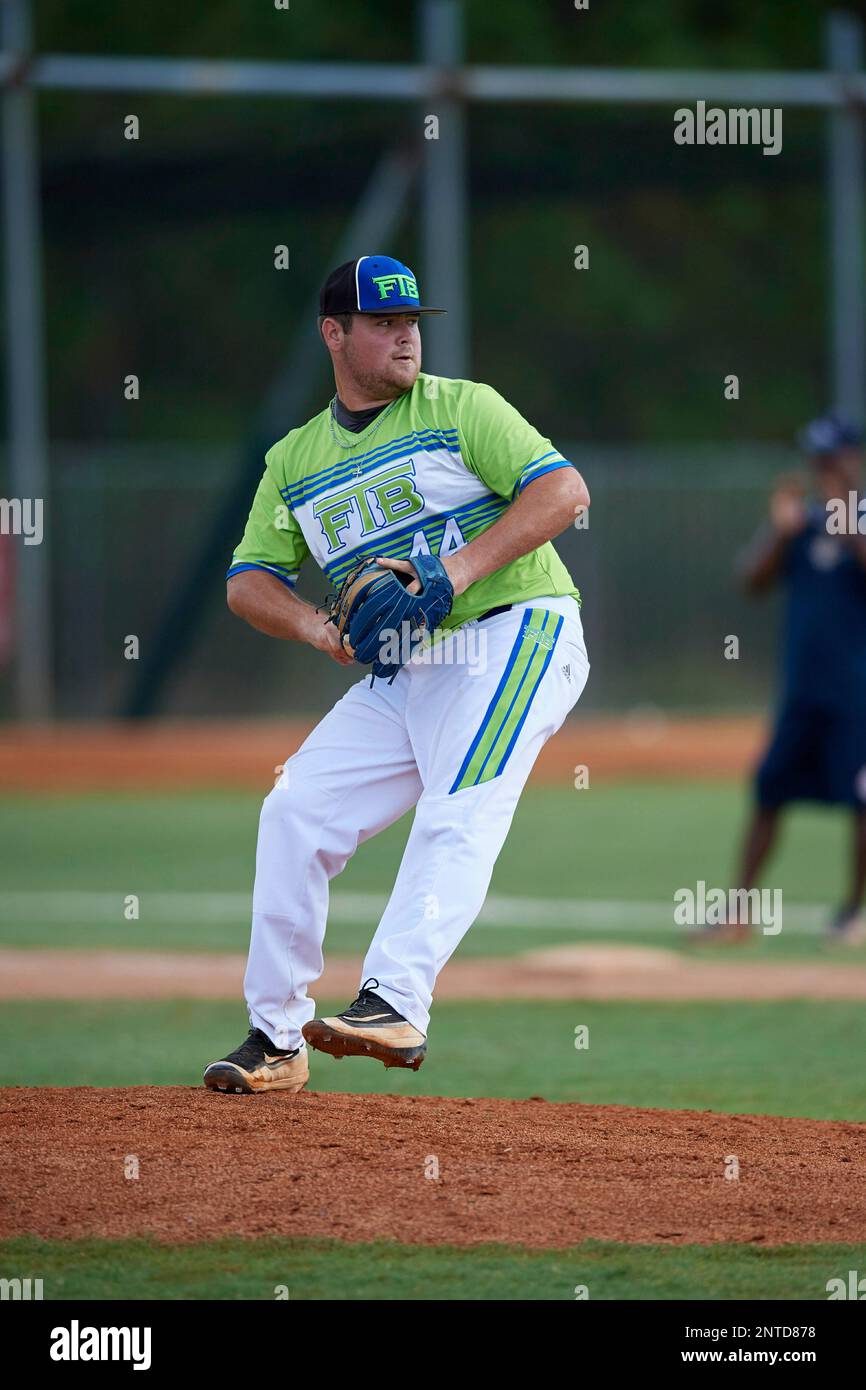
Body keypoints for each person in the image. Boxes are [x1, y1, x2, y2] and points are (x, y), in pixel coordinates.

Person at [203, 254, 591, 1093]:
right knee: (295, 811)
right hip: (407, 666)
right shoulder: (294, 460)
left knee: (460, 810)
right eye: (383, 322)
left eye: (412, 319)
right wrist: (314, 626)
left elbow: (563, 493)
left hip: (514, 629)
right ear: (333, 334)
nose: (406, 333)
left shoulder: (462, 408)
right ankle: (276, 1038)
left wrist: (453, 571)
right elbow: (246, 580)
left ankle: (394, 997)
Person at [720, 415, 866, 945]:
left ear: (854, 459)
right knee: (769, 790)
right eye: (817, 459)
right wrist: (781, 533)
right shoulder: (800, 524)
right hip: (803, 692)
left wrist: (844, 520)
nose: (823, 468)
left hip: (859, 696)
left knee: (861, 801)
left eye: (832, 458)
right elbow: (751, 583)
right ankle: (738, 914)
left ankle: (853, 914)